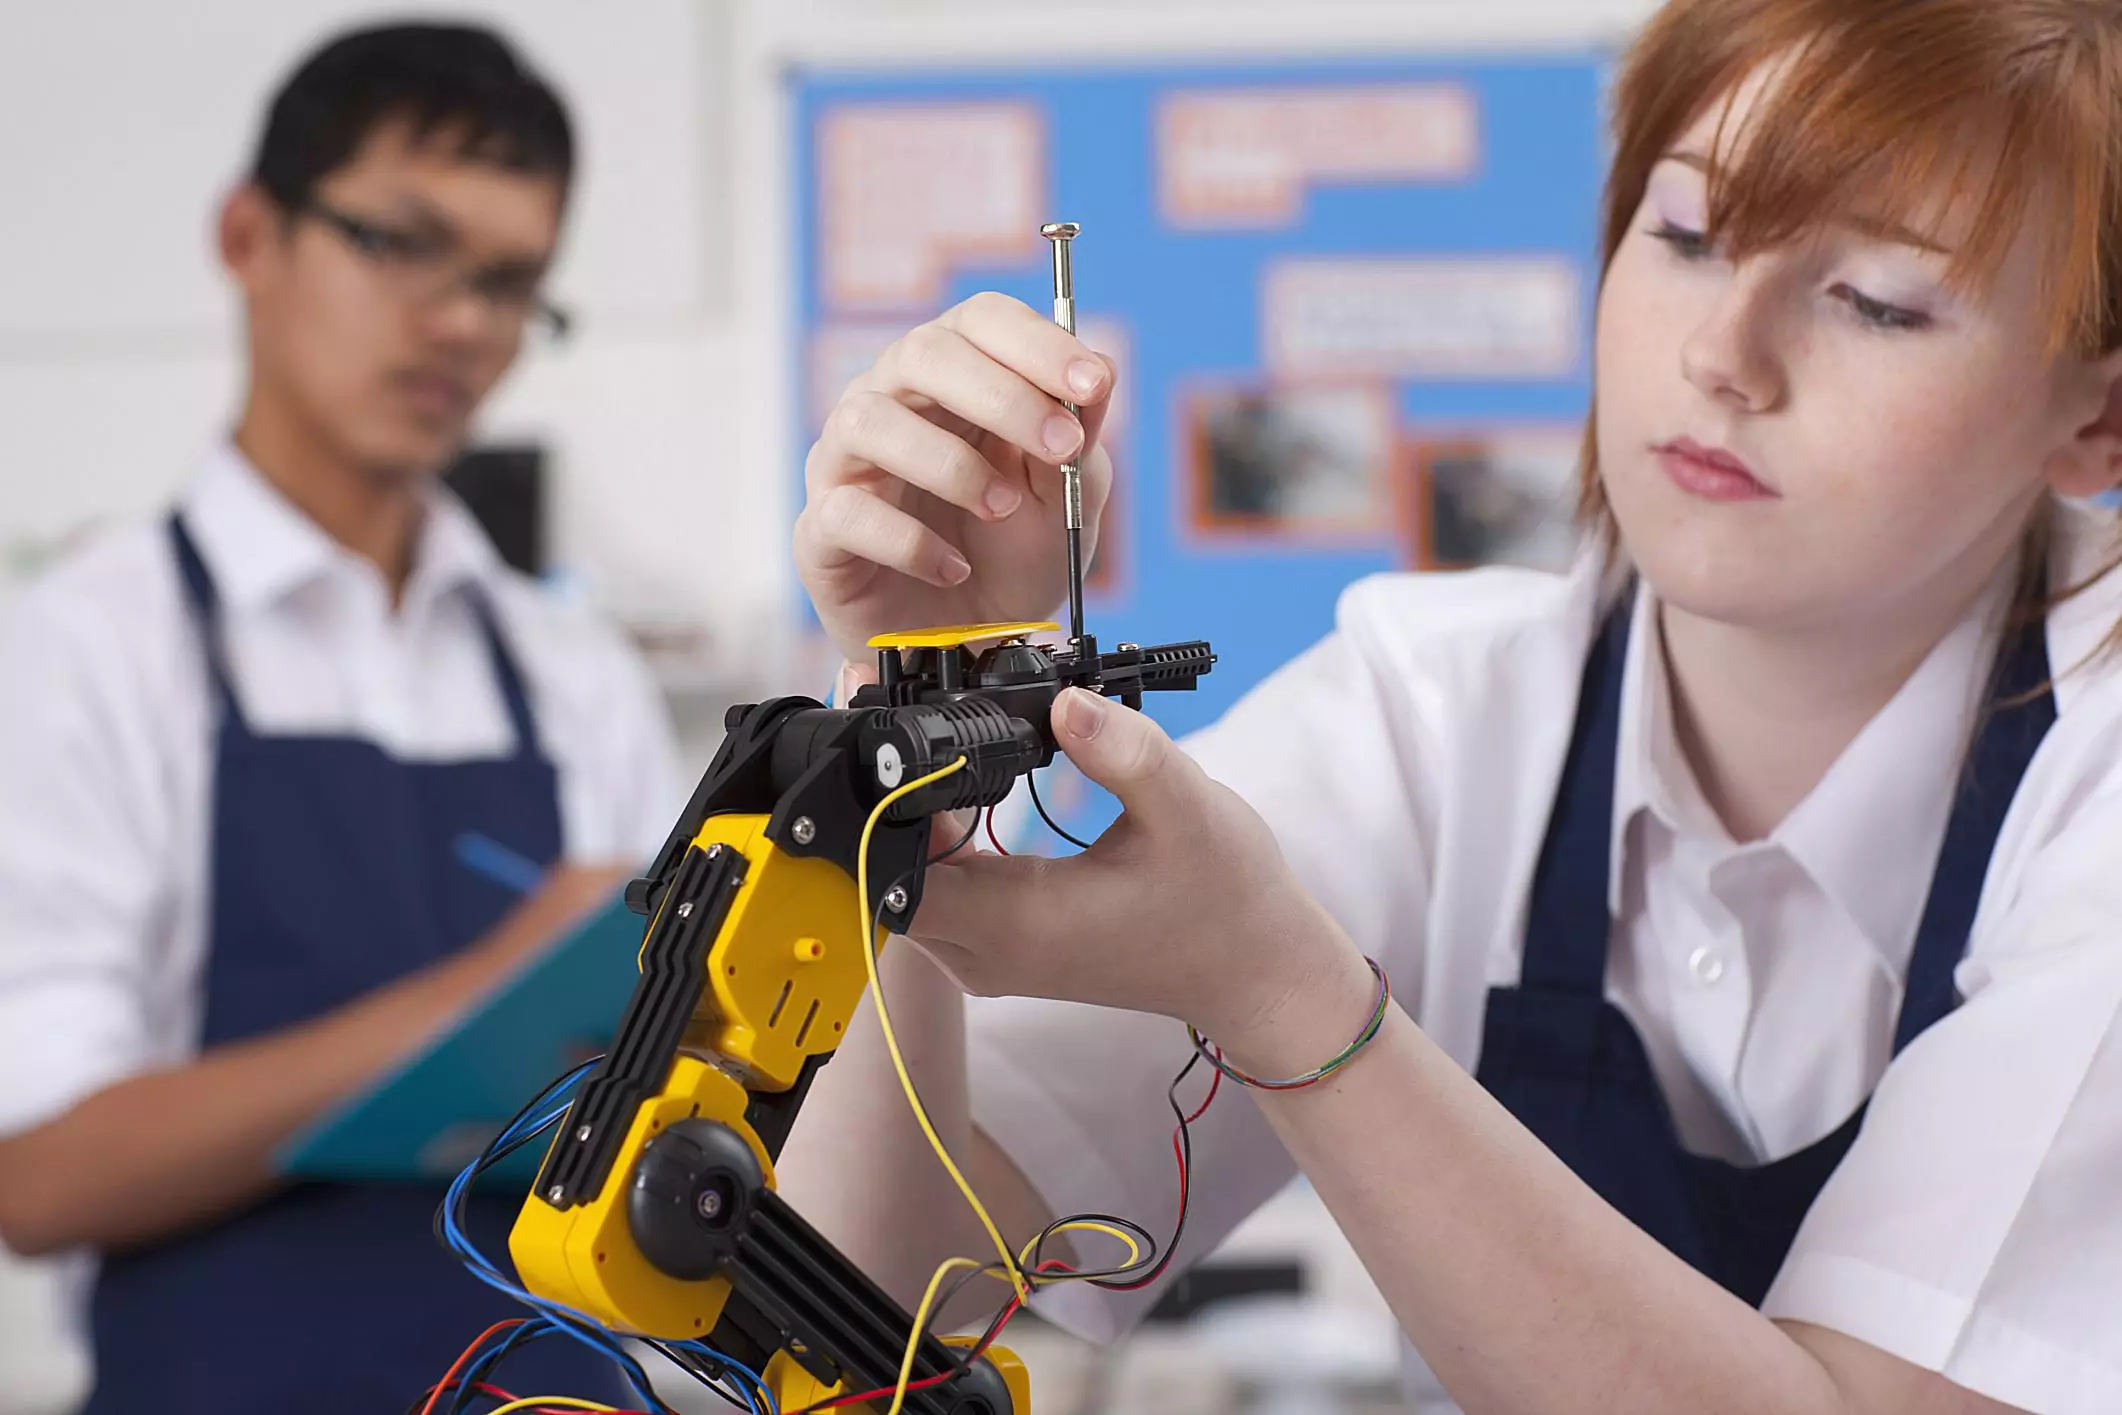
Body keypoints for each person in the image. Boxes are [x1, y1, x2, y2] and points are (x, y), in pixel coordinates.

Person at [778, 1, 2122, 1411]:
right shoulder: (1433, 709)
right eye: (1681, 236)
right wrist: (907, 719)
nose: (1724, 353)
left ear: (2094, 418)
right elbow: (865, 1281)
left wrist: (1289, 1001)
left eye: (1877, 301)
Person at [0, 23, 679, 1414]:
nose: (462, 323)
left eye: (508, 282)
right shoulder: (85, 650)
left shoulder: (572, 673)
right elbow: (39, 1172)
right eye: (402, 246)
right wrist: (482, 998)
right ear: (249, 235)